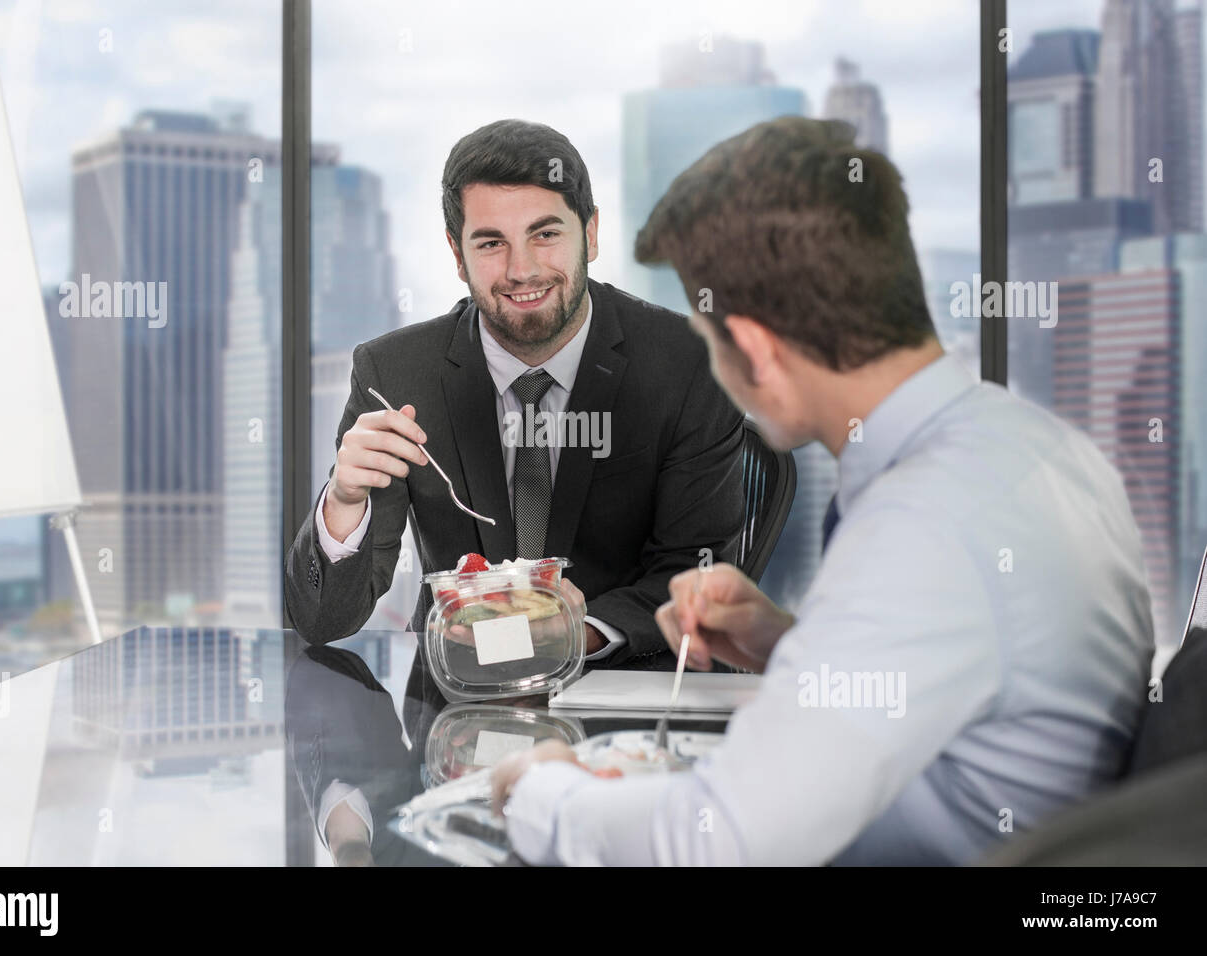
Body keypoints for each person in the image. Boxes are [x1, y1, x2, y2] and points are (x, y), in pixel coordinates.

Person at [490, 117, 1156, 866]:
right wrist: (791, 643)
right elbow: (968, 673)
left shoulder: (923, 525)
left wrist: (539, 788)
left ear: (757, 352)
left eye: (711, 343)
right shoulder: (1041, 448)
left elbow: (715, 842)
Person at [284, 120, 746, 725]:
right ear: (458, 256)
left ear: (591, 233)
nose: (522, 270)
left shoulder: (686, 362)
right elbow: (323, 623)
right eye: (490, 243)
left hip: (631, 713)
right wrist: (344, 500)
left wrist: (575, 633)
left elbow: (696, 571)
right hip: (456, 716)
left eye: (545, 234)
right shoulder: (395, 374)